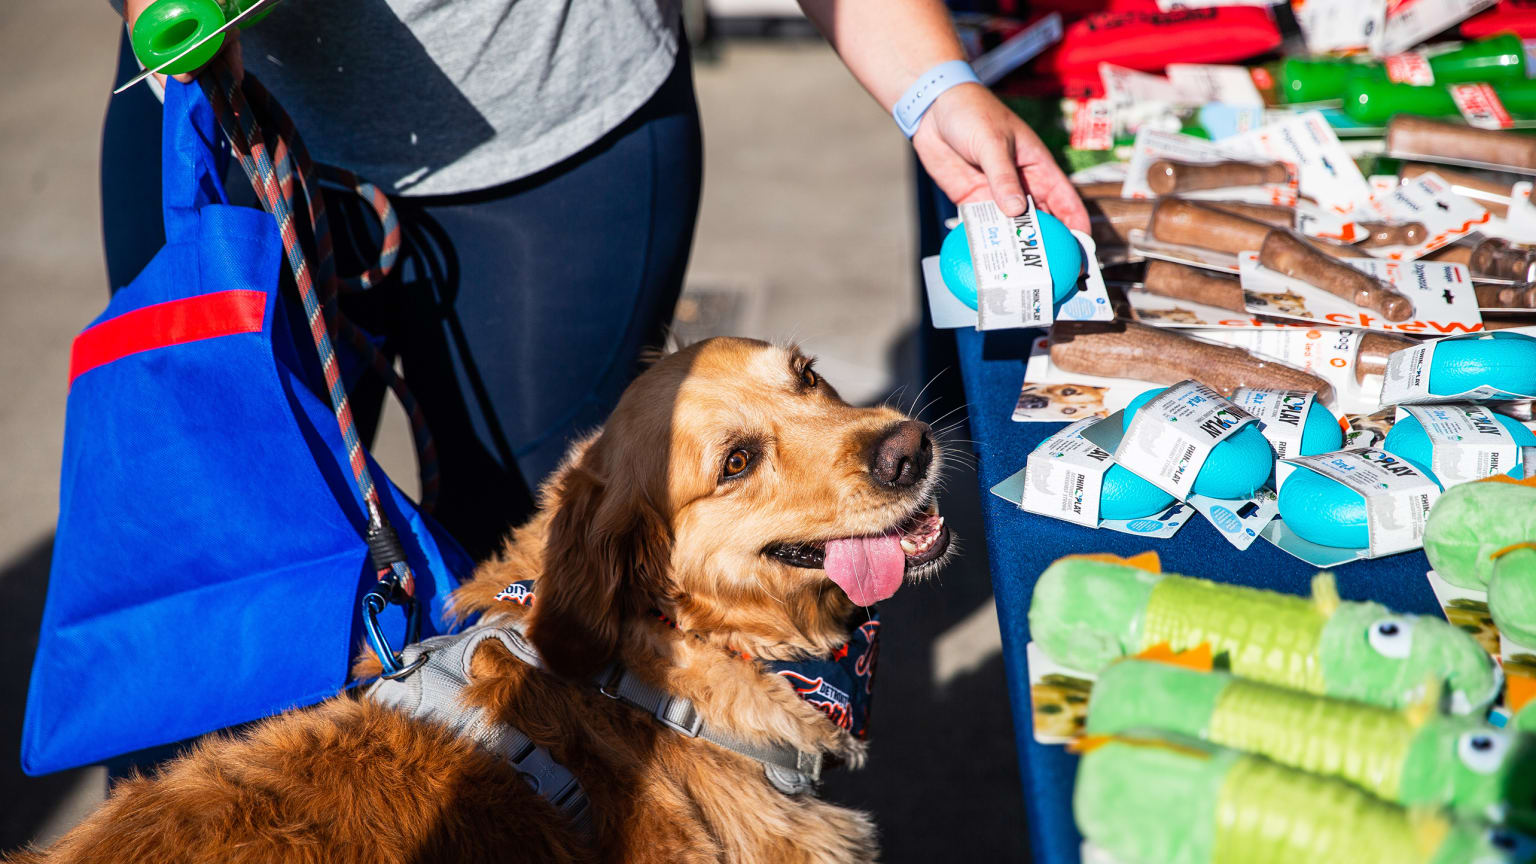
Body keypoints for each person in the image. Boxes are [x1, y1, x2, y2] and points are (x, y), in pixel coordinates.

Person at [104, 0, 1087, 562]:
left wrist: (932, 86)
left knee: (529, 594)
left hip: (563, 151)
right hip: (219, 132)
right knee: (219, 572)